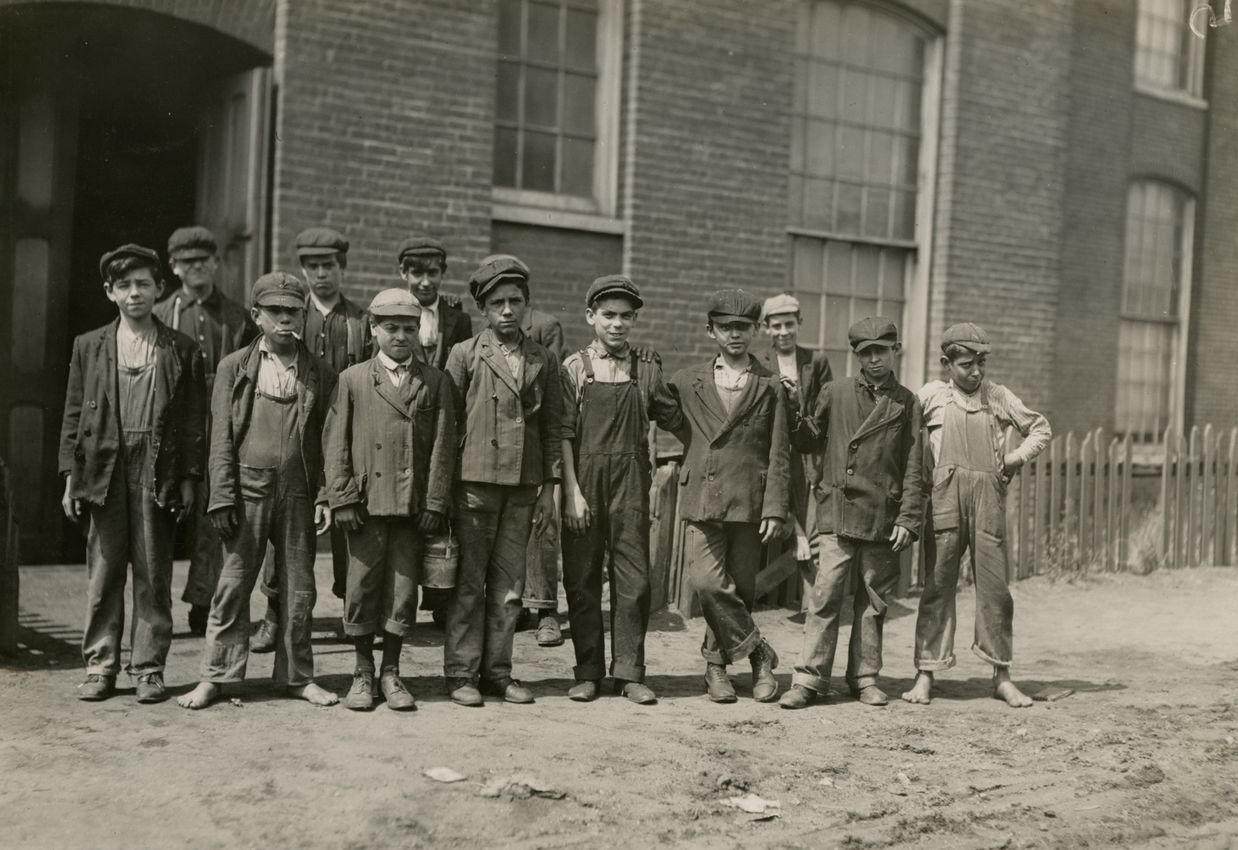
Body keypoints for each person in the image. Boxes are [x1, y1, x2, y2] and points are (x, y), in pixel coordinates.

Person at [177, 272, 338, 709]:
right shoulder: (234, 367)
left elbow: (328, 439)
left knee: (299, 588)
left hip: (300, 493)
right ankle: (217, 677)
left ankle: (297, 677)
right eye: (276, 312)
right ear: (256, 316)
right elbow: (220, 439)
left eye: (294, 312)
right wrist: (222, 495)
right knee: (231, 585)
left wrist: (324, 494)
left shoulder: (319, 371)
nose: (285, 320)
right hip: (247, 492)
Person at [59, 244, 207, 702]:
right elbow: (72, 416)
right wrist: (71, 477)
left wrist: (187, 477)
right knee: (103, 572)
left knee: (152, 568)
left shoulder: (179, 347)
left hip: (156, 466)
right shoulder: (90, 345)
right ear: (110, 292)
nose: (134, 293)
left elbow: (191, 420)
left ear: (159, 288)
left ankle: (147, 668)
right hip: (104, 464)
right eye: (124, 285)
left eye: (144, 283)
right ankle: (101, 665)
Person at [902, 322, 1051, 709]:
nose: (975, 372)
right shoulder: (931, 397)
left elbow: (1040, 429)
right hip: (945, 501)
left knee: (995, 590)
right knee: (937, 586)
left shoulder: (997, 396)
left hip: (988, 502)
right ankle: (925, 673)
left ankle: (1002, 676)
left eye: (980, 364)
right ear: (946, 363)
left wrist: (1015, 458)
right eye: (966, 364)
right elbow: (904, 434)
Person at [780, 317, 924, 709]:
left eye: (882, 351)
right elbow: (807, 439)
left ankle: (864, 678)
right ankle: (808, 680)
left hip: (883, 516)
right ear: (856, 355)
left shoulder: (907, 402)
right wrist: (794, 408)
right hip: (838, 511)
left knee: (874, 601)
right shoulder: (836, 391)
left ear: (895, 351)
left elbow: (915, 466)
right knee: (824, 596)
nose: (875, 359)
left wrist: (909, 517)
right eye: (866, 353)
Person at [324, 289, 457, 712]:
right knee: (361, 589)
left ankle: (391, 671)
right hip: (364, 505)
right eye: (391, 328)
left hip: (411, 507)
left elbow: (443, 447)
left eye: (410, 328)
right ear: (373, 330)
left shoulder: (435, 381)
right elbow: (336, 443)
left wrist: (435, 502)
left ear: (420, 331)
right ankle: (362, 672)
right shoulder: (353, 379)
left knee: (402, 591)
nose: (401, 337)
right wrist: (341, 498)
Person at [442, 254, 562, 706]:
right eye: (497, 303)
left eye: (515, 301)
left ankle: (497, 672)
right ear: (483, 310)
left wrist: (549, 488)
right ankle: (460, 674)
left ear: (527, 305)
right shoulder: (465, 354)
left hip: (523, 487)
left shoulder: (543, 359)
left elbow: (553, 429)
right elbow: (448, 425)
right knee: (469, 584)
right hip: (474, 484)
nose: (507, 310)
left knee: (511, 589)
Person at [559, 275, 683, 704]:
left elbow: (674, 416)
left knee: (634, 581)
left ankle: (629, 672)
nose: (617, 324)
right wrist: (571, 491)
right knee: (582, 578)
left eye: (626, 317)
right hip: (585, 483)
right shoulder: (575, 367)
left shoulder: (647, 366)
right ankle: (588, 672)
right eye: (608, 315)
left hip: (630, 483)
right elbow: (562, 434)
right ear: (590, 316)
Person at [667, 288, 790, 704]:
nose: (734, 335)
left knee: (740, 587)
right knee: (707, 582)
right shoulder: (687, 382)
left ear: (755, 330)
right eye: (725, 327)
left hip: (748, 501)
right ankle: (758, 653)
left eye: (742, 327)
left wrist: (775, 506)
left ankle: (716, 668)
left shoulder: (771, 385)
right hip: (704, 496)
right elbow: (664, 415)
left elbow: (779, 450)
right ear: (710, 331)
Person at [249, 226, 366, 653]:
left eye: (329, 266)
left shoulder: (359, 321)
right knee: (284, 534)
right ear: (303, 269)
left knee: (343, 529)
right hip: (293, 433)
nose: (321, 274)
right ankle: (274, 614)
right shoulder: (290, 312)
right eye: (313, 266)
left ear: (342, 268)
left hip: (340, 433)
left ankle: (349, 614)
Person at [154, 226, 258, 635]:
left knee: (212, 516)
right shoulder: (161, 314)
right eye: (187, 262)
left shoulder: (237, 317)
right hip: (171, 429)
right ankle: (155, 612)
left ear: (215, 263)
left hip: (219, 428)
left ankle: (204, 603)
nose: (196, 268)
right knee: (161, 515)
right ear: (175, 268)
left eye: (203, 261)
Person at [398, 236, 473, 629]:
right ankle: (402, 602)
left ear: (442, 275)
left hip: (443, 419)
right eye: (416, 273)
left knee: (442, 509)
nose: (424, 282)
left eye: (432, 273)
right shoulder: (393, 310)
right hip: (406, 418)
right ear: (403, 274)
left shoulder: (457, 319)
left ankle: (441, 600)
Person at [760, 292, 833, 577]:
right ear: (767, 328)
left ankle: (812, 606)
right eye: (776, 326)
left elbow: (825, 405)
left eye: (789, 324)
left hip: (809, 452)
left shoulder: (815, 361)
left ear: (799, 323)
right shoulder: (761, 361)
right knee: (786, 512)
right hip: (774, 449)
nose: (783, 332)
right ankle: (796, 533)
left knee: (815, 524)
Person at [519, 303, 567, 646]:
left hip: (535, 440)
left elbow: (550, 385)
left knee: (543, 527)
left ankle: (546, 610)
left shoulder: (545, 325)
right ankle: (517, 606)